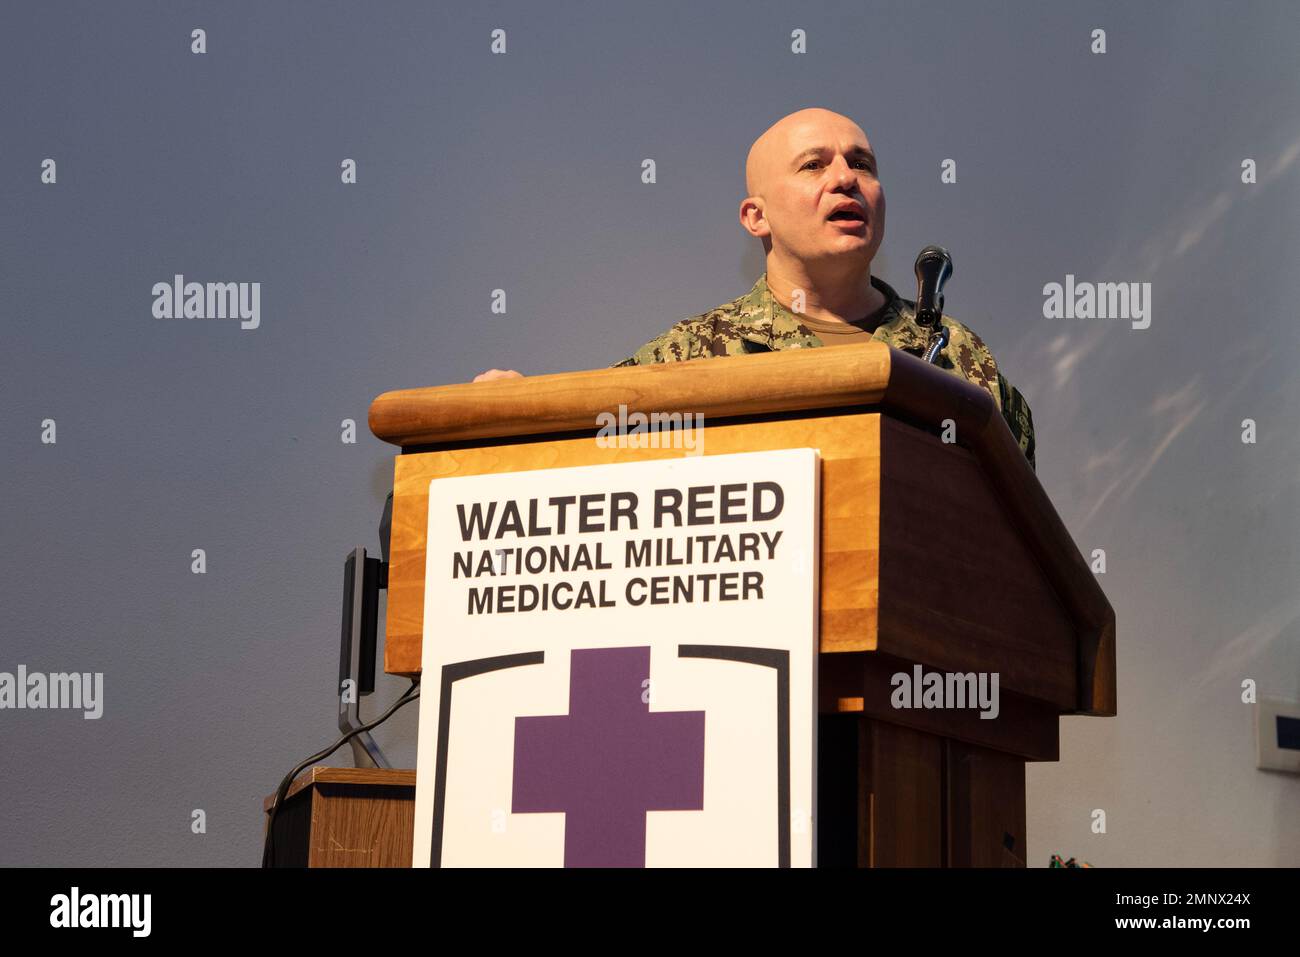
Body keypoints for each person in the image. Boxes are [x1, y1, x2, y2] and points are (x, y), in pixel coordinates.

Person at [474, 107, 1035, 470]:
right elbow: (586, 455)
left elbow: (1028, 535)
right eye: (814, 165)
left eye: (862, 164)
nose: (846, 178)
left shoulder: (955, 353)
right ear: (755, 218)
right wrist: (519, 415)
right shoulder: (697, 352)